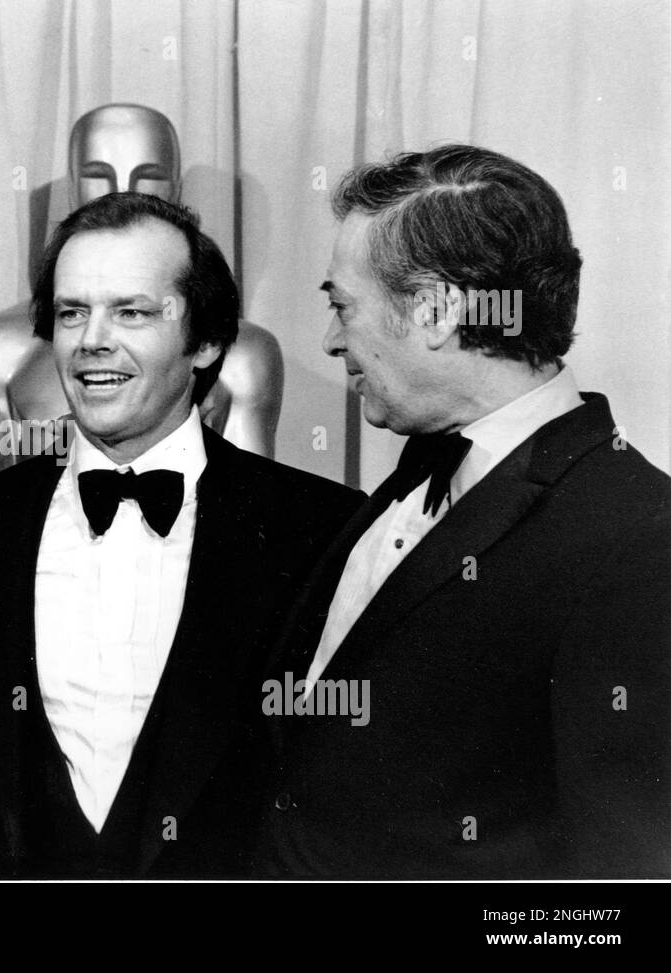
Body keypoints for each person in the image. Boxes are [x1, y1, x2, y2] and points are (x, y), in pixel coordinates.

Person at [257, 144, 671, 878]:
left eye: (342, 306)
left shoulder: (639, 538)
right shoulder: (415, 469)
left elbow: (622, 879)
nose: (329, 339)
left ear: (440, 312)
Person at [0, 192, 362, 878]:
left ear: (206, 342)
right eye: (73, 312)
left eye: (131, 312)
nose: (91, 339)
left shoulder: (323, 531)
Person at [0, 103, 283, 486]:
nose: (122, 190)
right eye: (98, 174)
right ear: (73, 184)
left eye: (149, 176)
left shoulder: (245, 354)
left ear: (176, 188)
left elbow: (251, 504)